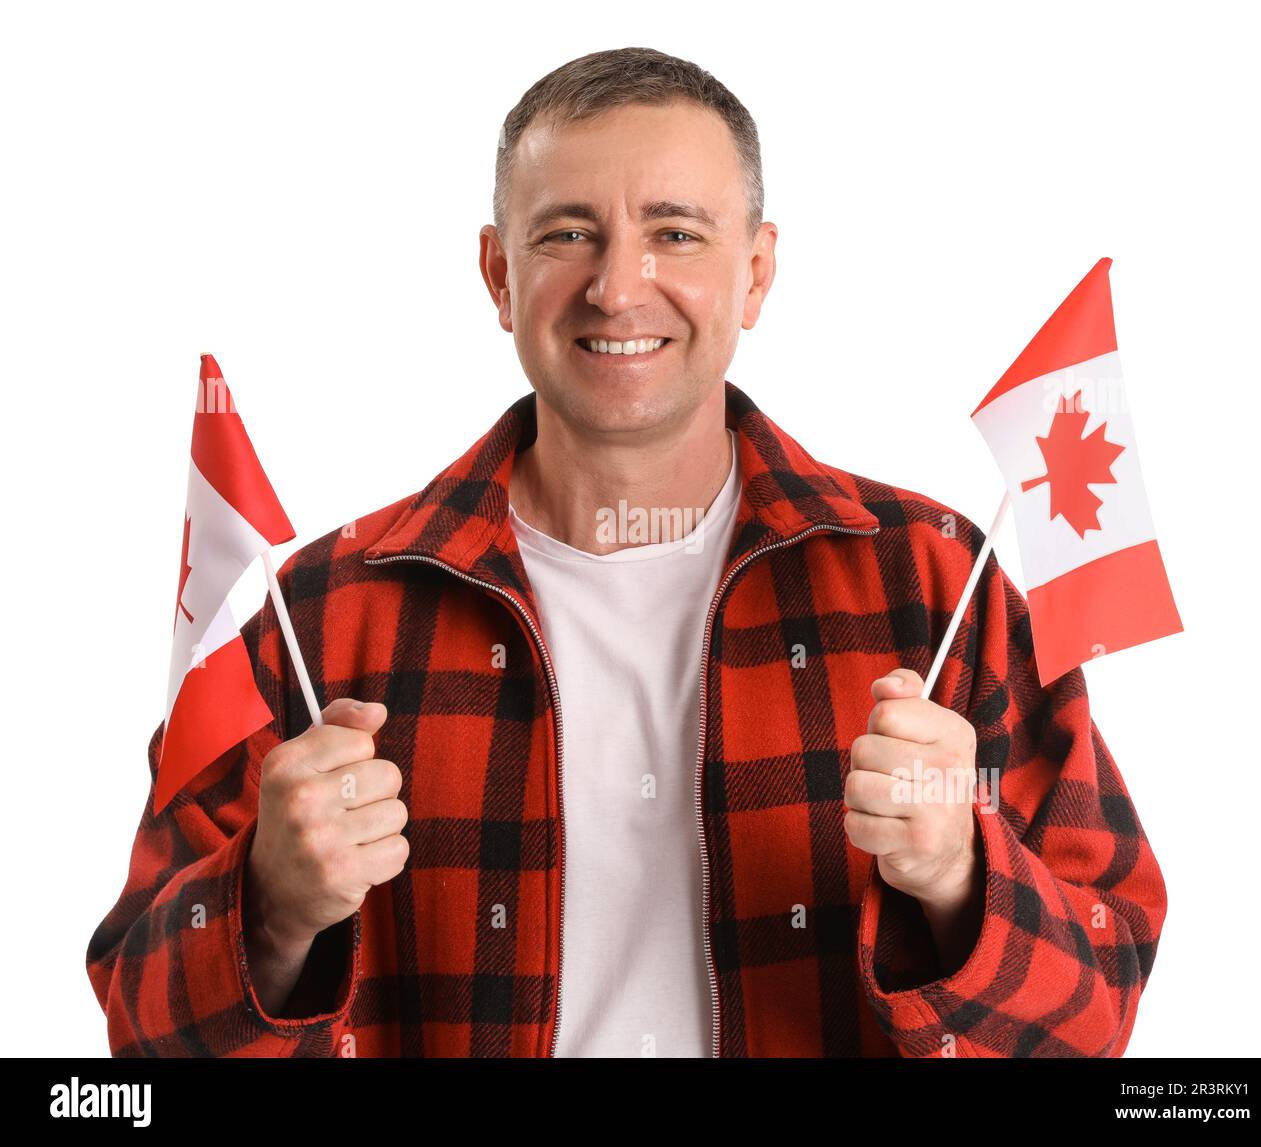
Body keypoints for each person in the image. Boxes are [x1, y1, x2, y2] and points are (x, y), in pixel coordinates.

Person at [87, 46, 1167, 1058]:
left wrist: (958, 878)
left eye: (675, 233)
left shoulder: (933, 583)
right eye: (566, 233)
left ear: (755, 272)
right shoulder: (319, 614)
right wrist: (270, 905)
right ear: (497, 274)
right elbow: (138, 1037)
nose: (617, 285)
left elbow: (1101, 997)